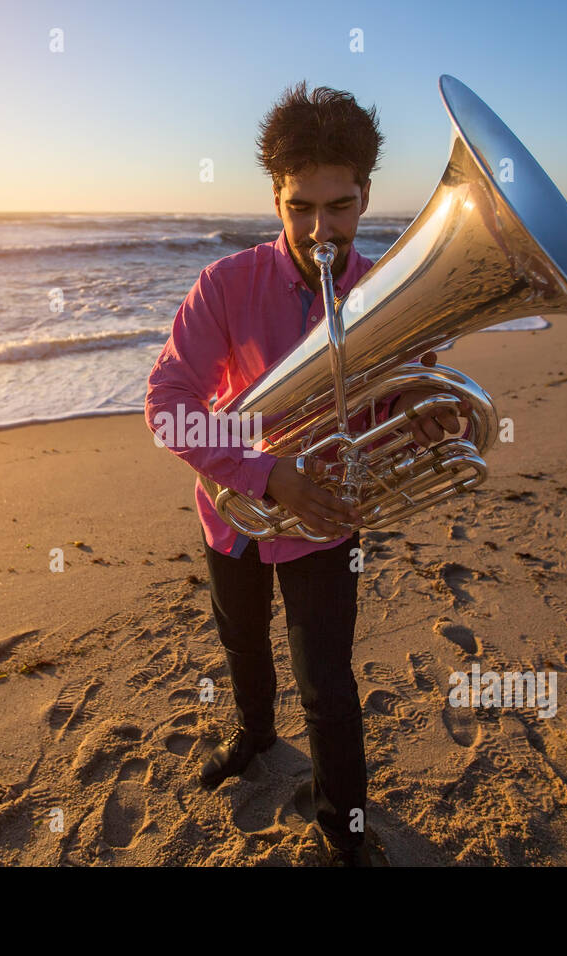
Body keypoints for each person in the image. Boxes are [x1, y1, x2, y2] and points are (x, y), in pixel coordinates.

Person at [144, 82, 462, 866]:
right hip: (234, 511)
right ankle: (254, 735)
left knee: (328, 685)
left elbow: (408, 388)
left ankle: (344, 837)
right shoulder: (224, 285)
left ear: (365, 194)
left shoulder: (392, 291)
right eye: (300, 208)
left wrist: (426, 414)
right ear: (275, 198)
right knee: (241, 641)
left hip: (326, 519)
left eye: (341, 206)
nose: (322, 230)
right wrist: (264, 473)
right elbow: (168, 406)